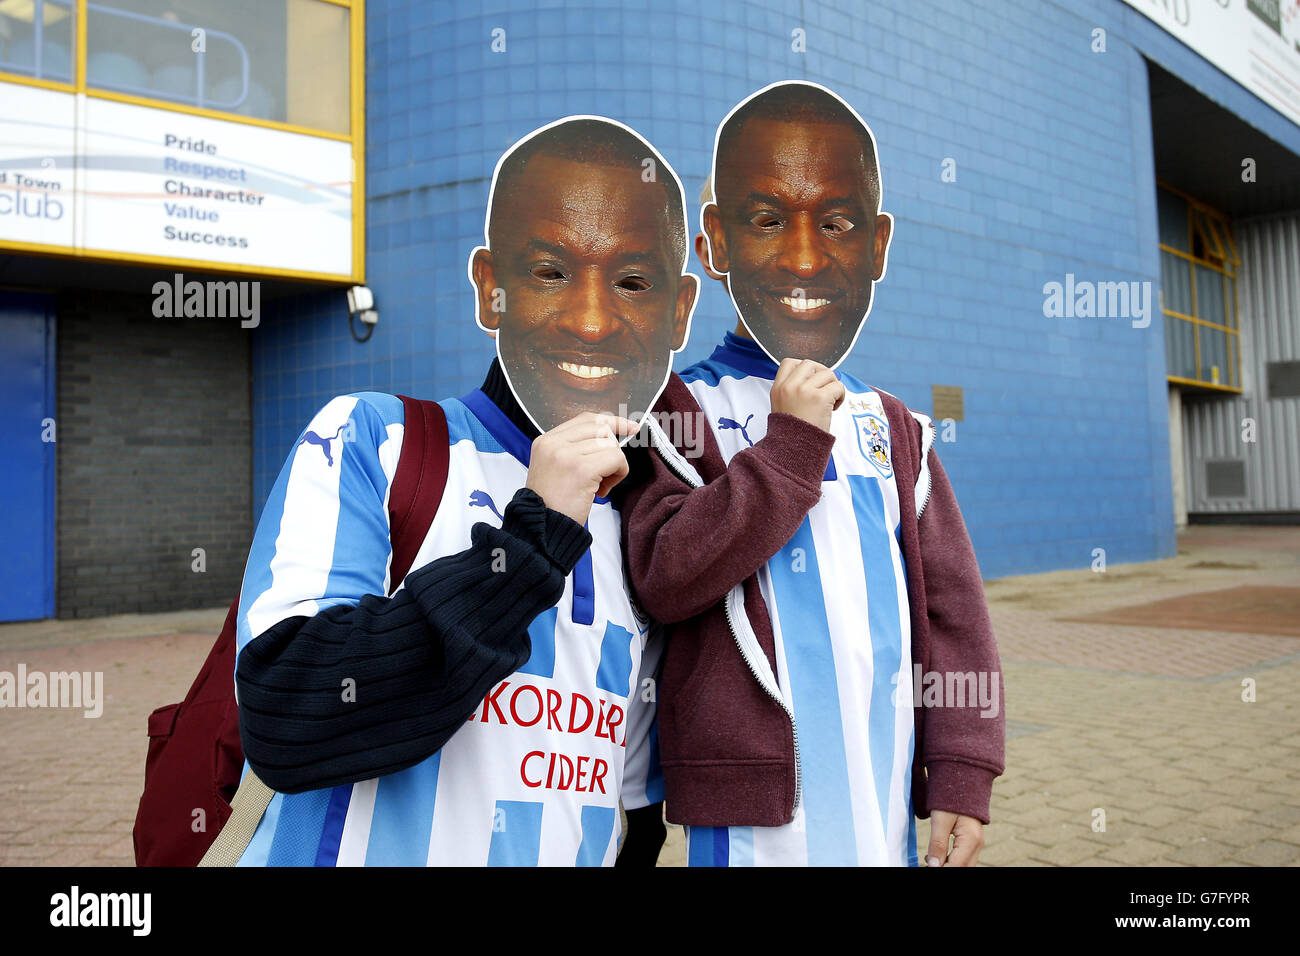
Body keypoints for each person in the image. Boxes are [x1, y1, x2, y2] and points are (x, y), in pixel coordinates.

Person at [232, 116, 695, 866]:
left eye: (633, 282)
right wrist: (532, 542)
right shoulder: (372, 442)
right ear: (491, 290)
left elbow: (632, 817)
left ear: (678, 311)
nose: (589, 318)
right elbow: (291, 717)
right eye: (548, 272)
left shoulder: (650, 528)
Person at [621, 81, 1004, 867]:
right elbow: (665, 574)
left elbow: (955, 612)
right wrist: (791, 444)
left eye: (836, 223)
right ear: (715, 245)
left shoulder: (893, 428)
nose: (803, 255)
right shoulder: (673, 409)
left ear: (877, 245)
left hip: (885, 779)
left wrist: (964, 770)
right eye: (766, 220)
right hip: (750, 810)